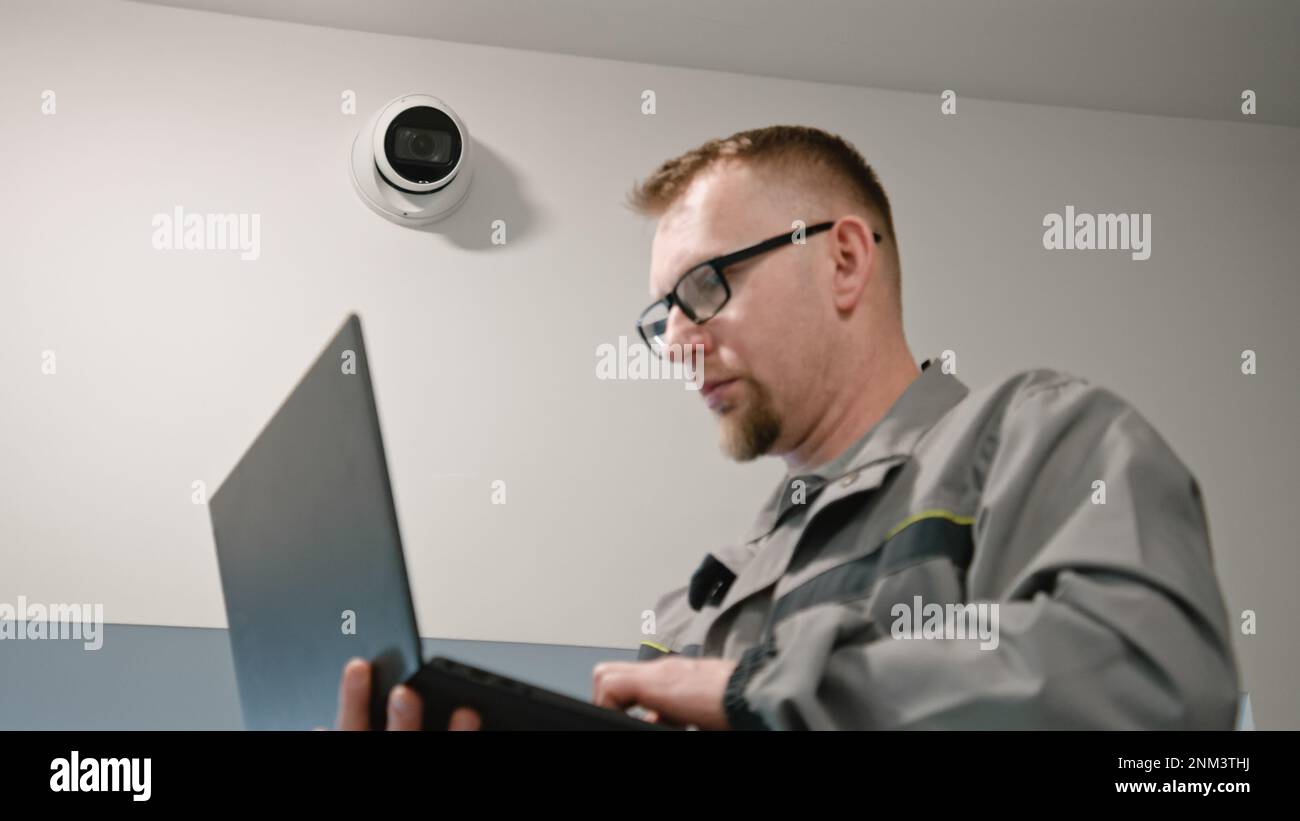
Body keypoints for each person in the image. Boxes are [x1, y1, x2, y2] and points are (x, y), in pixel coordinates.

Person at [336, 125, 1239, 730]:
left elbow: (1160, 692)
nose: (680, 343)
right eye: (662, 319)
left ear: (844, 260)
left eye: (702, 288)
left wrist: (762, 693)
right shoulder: (692, 613)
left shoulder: (1037, 437)